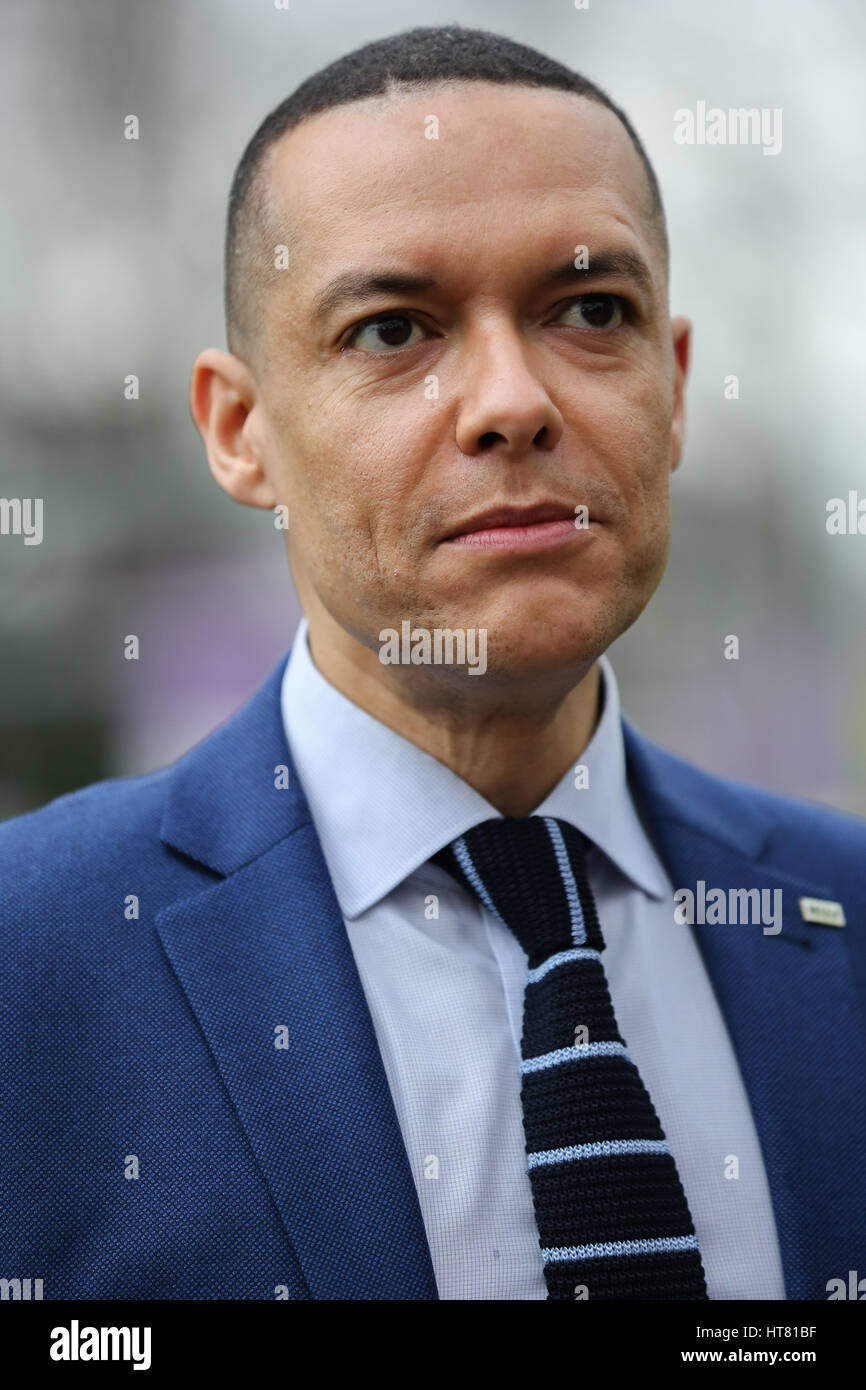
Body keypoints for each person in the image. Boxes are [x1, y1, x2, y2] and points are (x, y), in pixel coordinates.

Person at [1, 24, 864, 1302]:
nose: (511, 401)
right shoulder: (35, 960)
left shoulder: (835, 919)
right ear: (240, 434)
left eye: (587, 310)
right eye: (393, 328)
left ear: (673, 391)